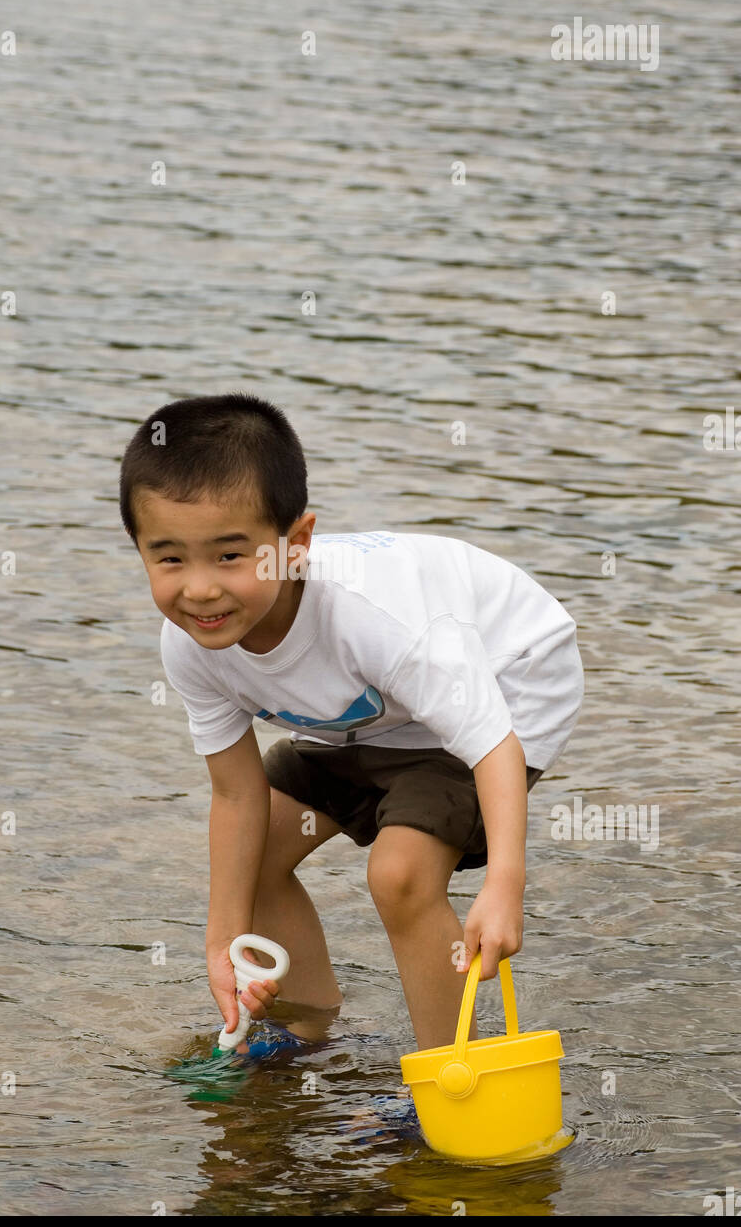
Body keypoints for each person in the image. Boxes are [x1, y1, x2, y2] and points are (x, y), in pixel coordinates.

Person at [119, 392, 584, 1056]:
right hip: (374, 713)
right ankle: (309, 1032)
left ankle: (446, 1076)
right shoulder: (191, 645)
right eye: (169, 559)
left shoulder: (375, 619)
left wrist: (504, 883)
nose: (199, 589)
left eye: (229, 556)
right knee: (256, 853)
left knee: (399, 875)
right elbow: (236, 794)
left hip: (510, 684)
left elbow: (490, 744)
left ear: (296, 544)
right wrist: (221, 940)